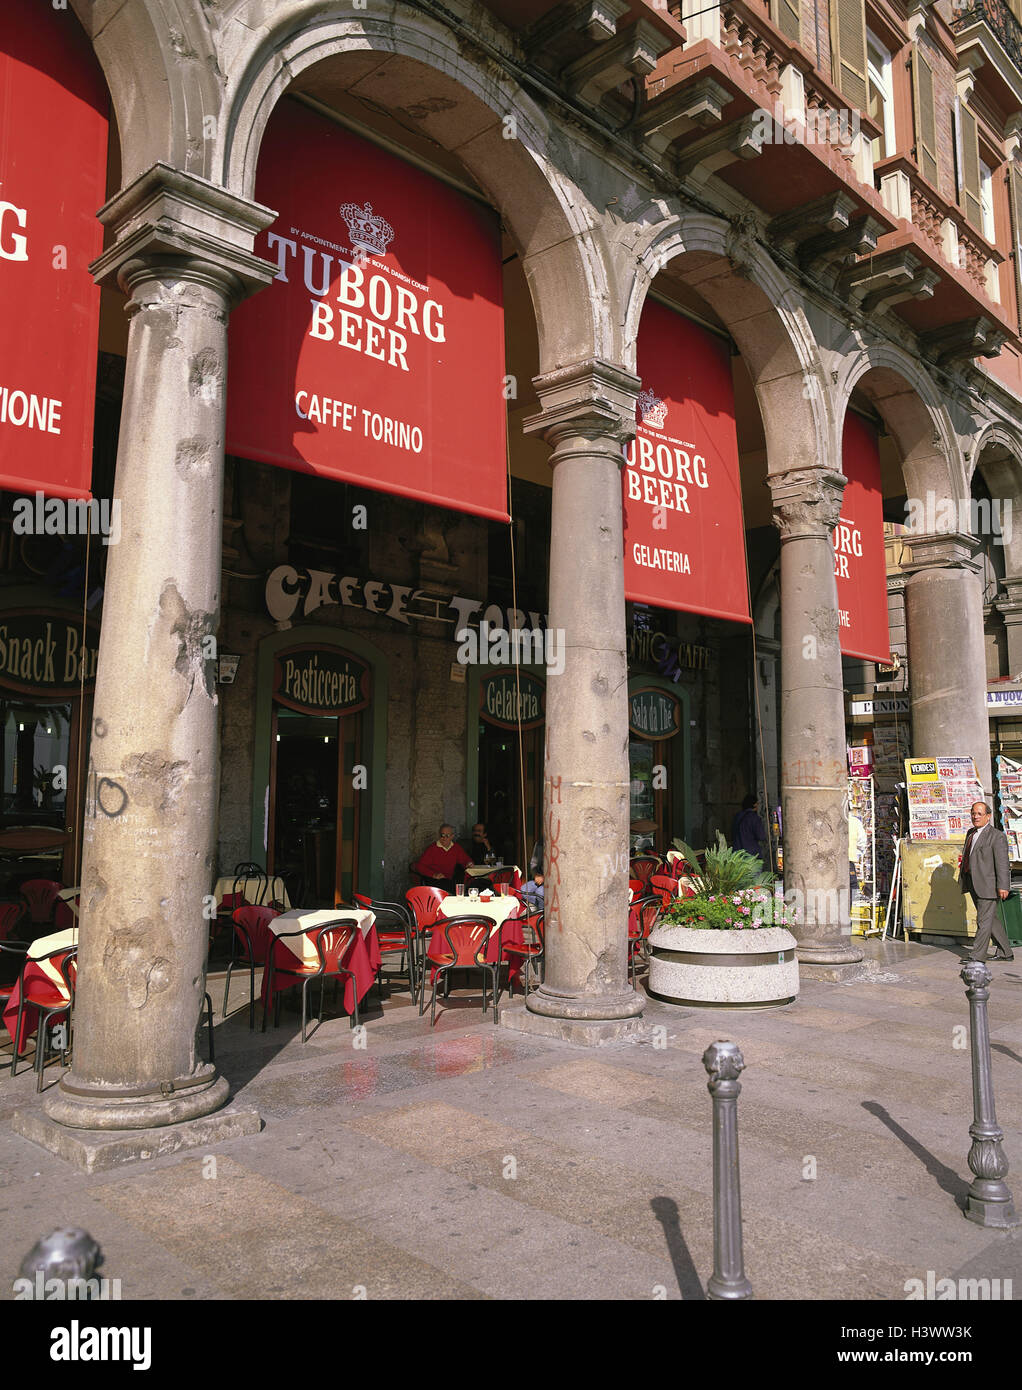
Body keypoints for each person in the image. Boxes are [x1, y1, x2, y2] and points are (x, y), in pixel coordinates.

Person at [959, 801, 1014, 962]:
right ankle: (1006, 952)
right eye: (973, 813)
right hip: (973, 883)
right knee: (990, 919)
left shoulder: (996, 836)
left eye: (979, 814)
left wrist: (1003, 886)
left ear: (988, 816)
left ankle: (977, 956)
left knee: (983, 921)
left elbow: (1002, 863)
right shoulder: (971, 833)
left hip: (989, 885)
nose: (975, 817)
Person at [412, 824, 472, 894]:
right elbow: (420, 866)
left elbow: (466, 859)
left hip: (448, 880)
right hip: (434, 880)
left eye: (447, 836)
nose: (444, 838)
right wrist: (434, 874)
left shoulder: (456, 848)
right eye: (442, 835)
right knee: (455, 889)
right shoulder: (432, 849)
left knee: (464, 886)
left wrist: (469, 863)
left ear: (452, 836)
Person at [731, 795, 766, 861]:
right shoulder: (754, 818)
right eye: (757, 803)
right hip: (751, 855)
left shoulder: (737, 816)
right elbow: (761, 836)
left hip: (736, 855)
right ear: (754, 805)